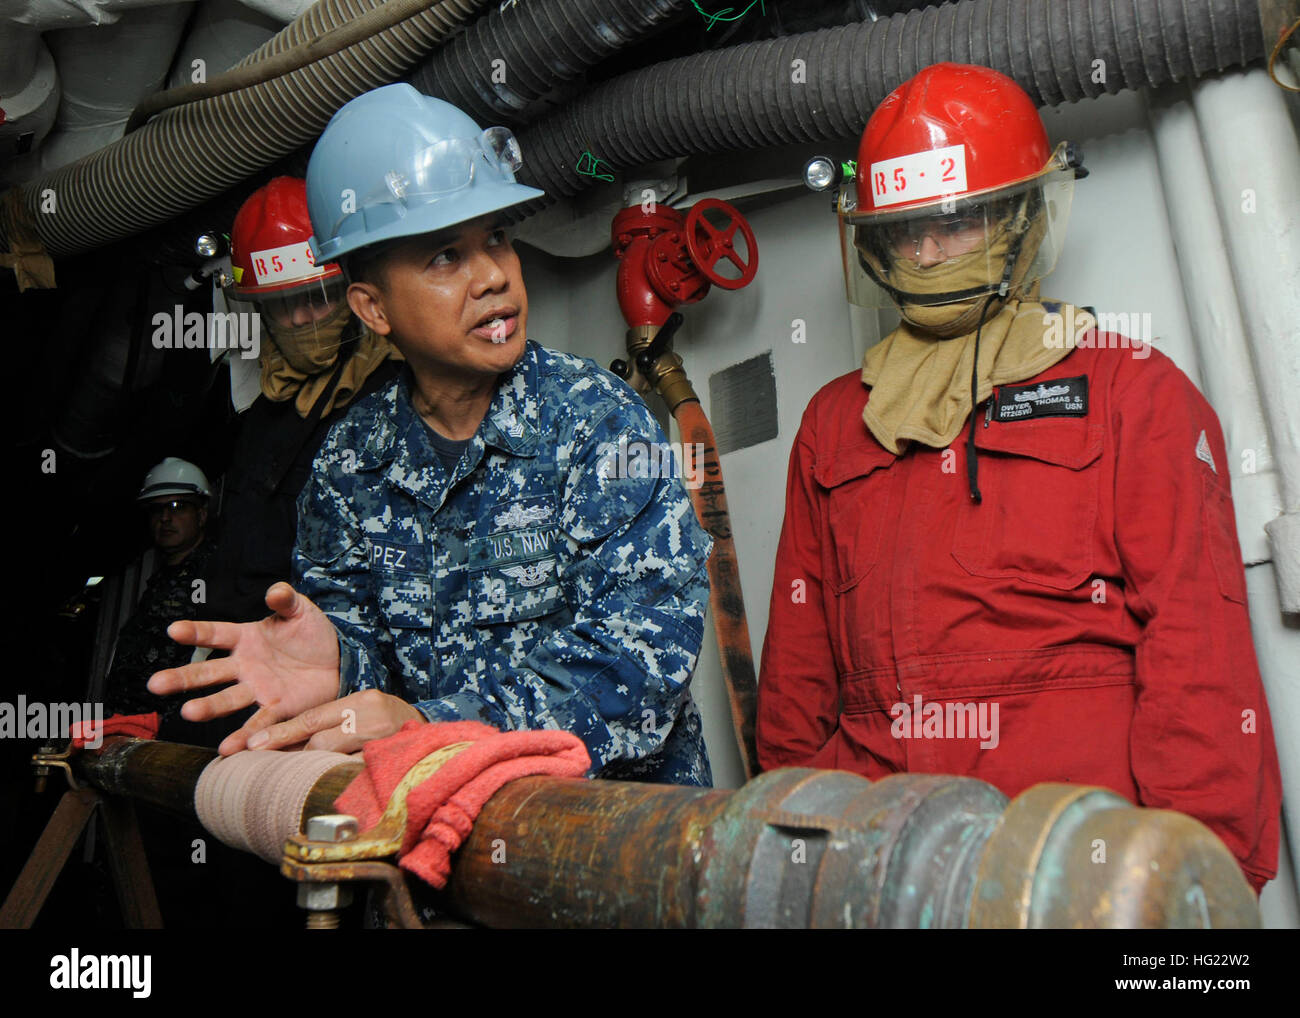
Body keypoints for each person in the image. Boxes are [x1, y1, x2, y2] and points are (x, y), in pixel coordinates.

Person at [757, 63, 1282, 891]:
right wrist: (786, 846)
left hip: (1072, 855)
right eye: (907, 231)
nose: (927, 253)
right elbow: (797, 677)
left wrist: (1192, 880)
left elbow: (1199, 662)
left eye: (958, 222)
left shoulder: (1131, 392)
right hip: (880, 856)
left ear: (1022, 218)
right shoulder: (833, 425)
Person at [150, 84, 714, 784]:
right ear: (373, 307)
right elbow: (372, 674)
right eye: (445, 256)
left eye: (498, 239)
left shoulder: (595, 421)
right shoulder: (351, 465)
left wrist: (431, 728)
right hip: (435, 868)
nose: (494, 277)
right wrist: (339, 661)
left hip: (606, 854)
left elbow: (644, 664)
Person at [205, 176, 401, 623]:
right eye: (279, 304)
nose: (297, 319)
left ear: (351, 288)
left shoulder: (398, 399)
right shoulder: (262, 409)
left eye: (313, 298)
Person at [103, 457, 223, 743]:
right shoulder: (161, 578)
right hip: (129, 725)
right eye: (156, 510)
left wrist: (173, 729)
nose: (165, 518)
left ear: (202, 514)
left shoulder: (214, 573)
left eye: (177, 507)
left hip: (169, 734)